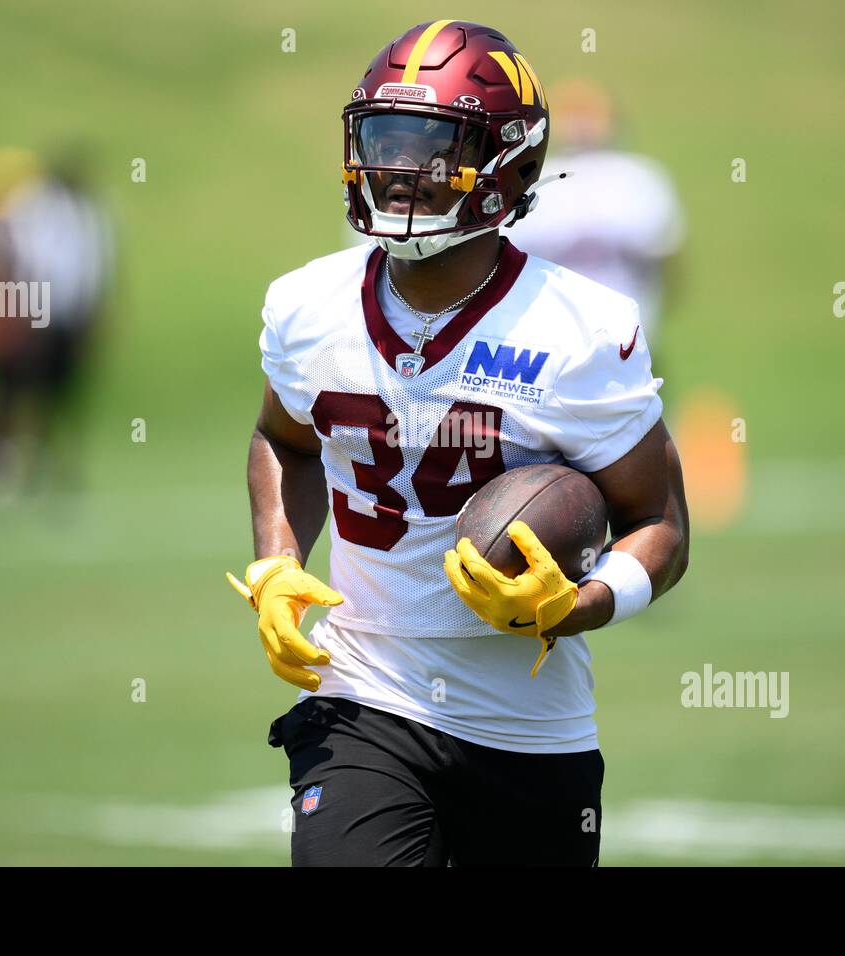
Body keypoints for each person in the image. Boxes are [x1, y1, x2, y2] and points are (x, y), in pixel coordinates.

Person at [228, 20, 689, 866]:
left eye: (433, 147)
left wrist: (576, 606)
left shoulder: (581, 332)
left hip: (529, 731)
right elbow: (283, 440)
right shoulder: (306, 304)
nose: (398, 168)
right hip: (363, 699)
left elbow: (660, 523)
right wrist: (276, 561)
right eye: (384, 138)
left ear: (506, 166)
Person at [0, 147, 114, 498]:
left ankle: (48, 466)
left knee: (61, 397)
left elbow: (96, 269)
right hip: (35, 316)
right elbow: (20, 261)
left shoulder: (93, 215)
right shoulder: (34, 212)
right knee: (11, 392)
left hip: (71, 319)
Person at [508, 76, 685, 347]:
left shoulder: (640, 178)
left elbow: (666, 259)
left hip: (628, 333)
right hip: (546, 335)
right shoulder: (535, 180)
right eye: (572, 115)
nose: (581, 126)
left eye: (590, 115)